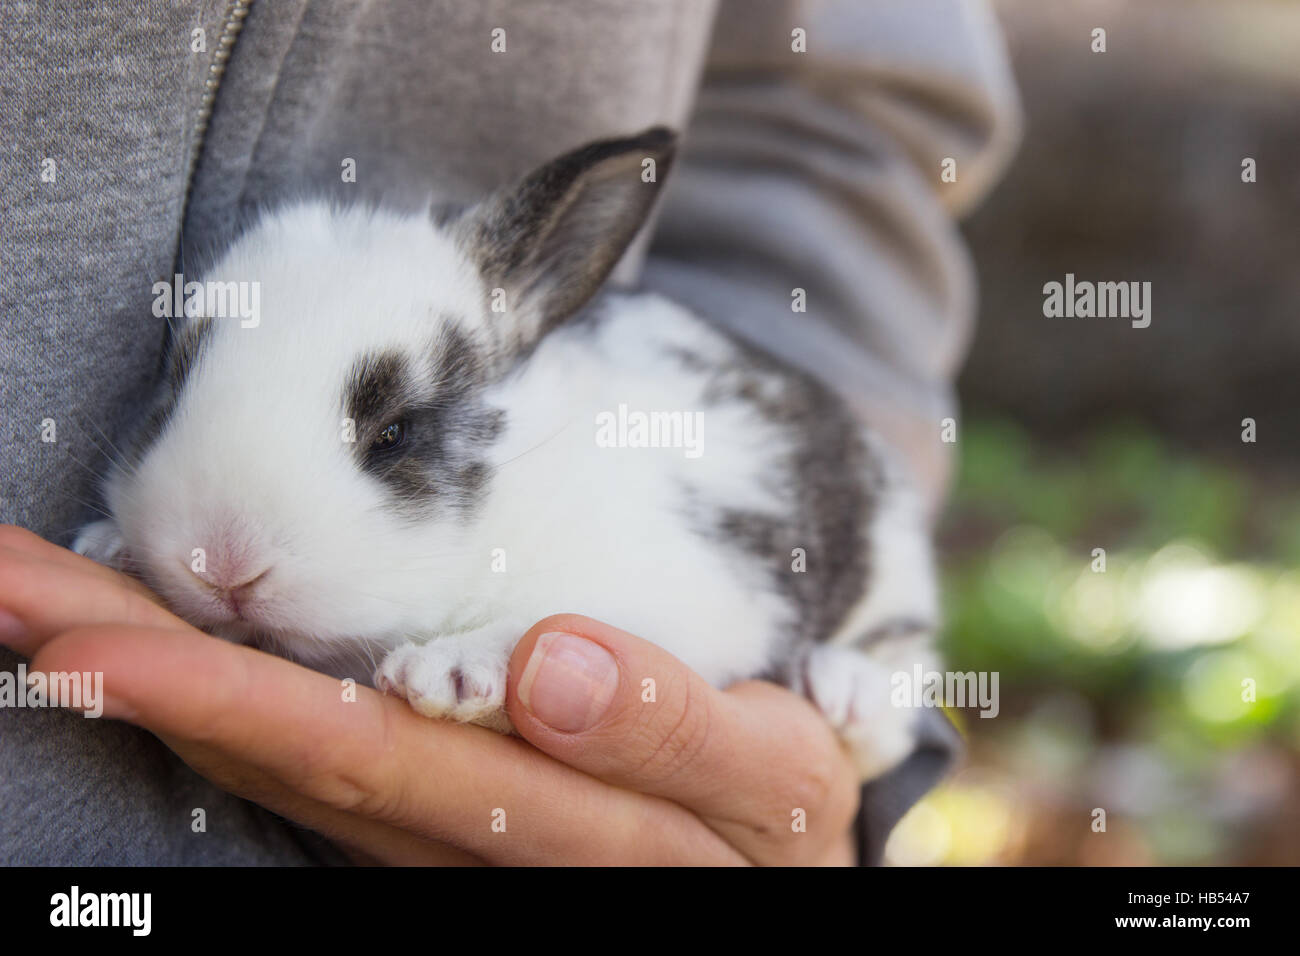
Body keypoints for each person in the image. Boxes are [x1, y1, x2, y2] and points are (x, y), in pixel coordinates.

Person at [0, 0, 1020, 865]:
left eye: (393, 435)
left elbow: (833, 117)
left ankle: (880, 669)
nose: (229, 570)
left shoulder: (590, 476)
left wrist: (800, 793)